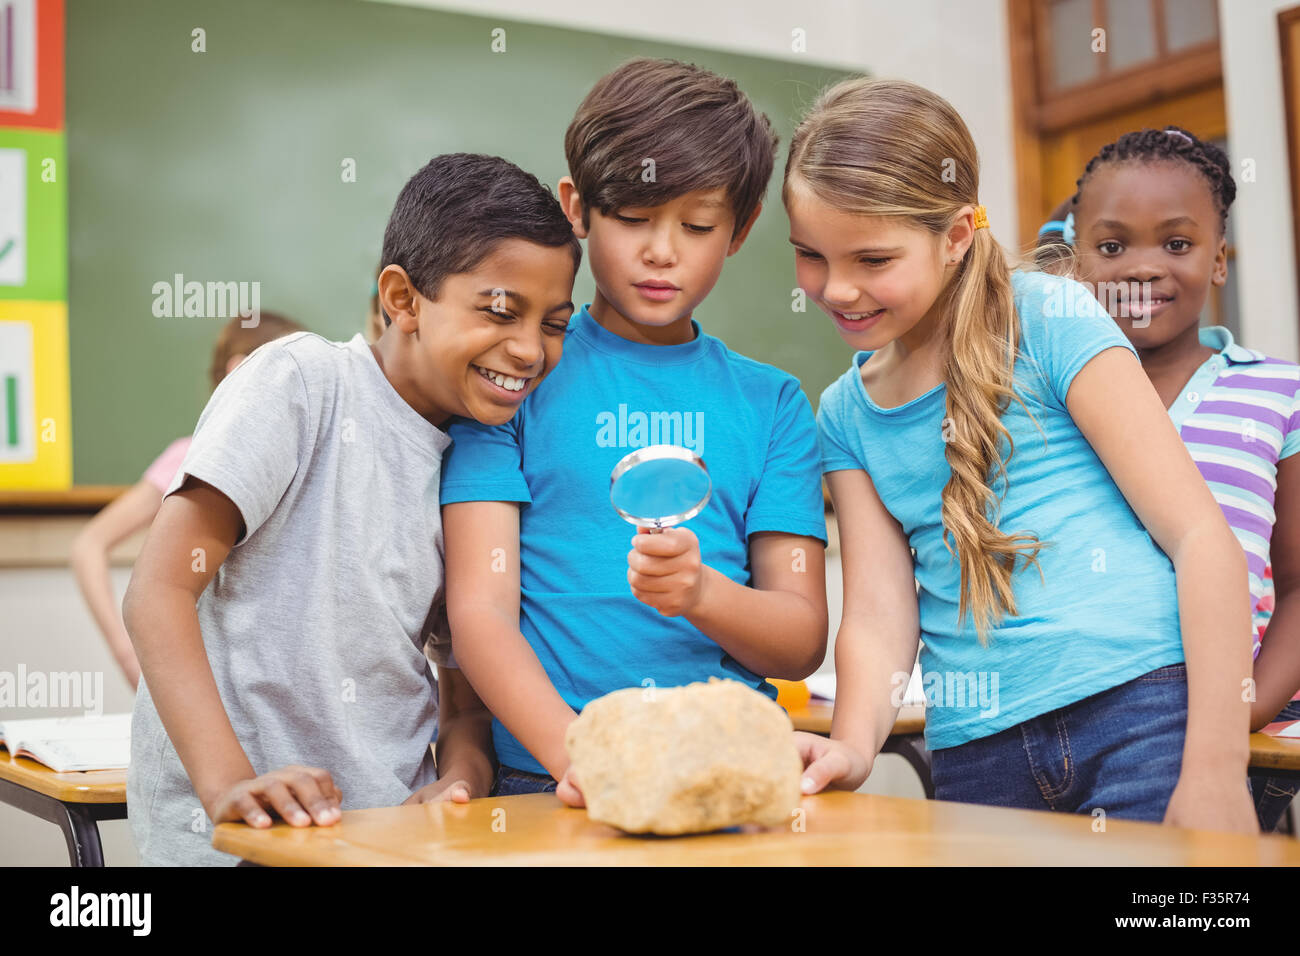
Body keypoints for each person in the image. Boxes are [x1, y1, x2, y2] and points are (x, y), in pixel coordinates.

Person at [788, 77, 1256, 831]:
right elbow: (877, 616)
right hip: (976, 755)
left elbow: (1201, 538)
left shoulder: (1050, 316)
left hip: (1140, 717)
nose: (837, 288)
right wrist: (851, 743)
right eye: (810, 255)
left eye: (871, 259)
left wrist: (1216, 770)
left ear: (955, 236)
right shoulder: (845, 414)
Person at [123, 153, 581, 864]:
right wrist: (229, 785)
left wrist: (462, 777)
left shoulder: (478, 461)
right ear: (402, 299)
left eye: (553, 323)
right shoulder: (301, 383)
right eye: (499, 311)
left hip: (384, 842)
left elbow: (464, 703)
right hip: (240, 841)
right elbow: (158, 592)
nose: (528, 350)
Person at [439, 58, 829, 799]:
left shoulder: (773, 404)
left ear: (741, 229)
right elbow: (480, 613)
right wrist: (581, 762)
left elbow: (800, 637)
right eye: (632, 217)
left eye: (698, 225)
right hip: (554, 778)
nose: (661, 251)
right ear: (577, 208)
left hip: (726, 775)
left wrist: (701, 593)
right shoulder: (513, 376)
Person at [1070, 126, 1300, 830]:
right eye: (1112, 247)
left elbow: (1298, 584)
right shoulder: (1046, 399)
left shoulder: (1279, 394)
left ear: (1219, 260)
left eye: (1176, 243)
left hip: (1220, 735)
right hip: (1075, 724)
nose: (1143, 268)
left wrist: (1241, 706)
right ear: (1075, 261)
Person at [71, 313, 304, 688]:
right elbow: (89, 545)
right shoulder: (191, 458)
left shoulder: (295, 467)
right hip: (202, 682)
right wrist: (127, 655)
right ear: (240, 370)